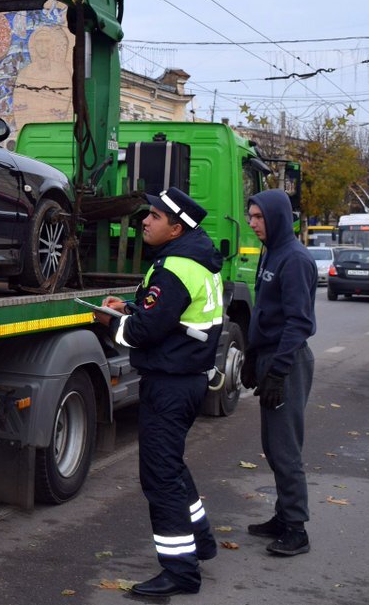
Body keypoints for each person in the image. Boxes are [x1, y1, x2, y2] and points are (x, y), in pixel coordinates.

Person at [95, 187, 225, 598]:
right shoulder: (196, 259)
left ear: (175, 227)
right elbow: (170, 318)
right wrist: (131, 308)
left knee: (161, 477)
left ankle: (181, 573)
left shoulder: (175, 266)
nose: (144, 221)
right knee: (172, 468)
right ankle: (201, 541)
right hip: (185, 379)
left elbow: (144, 333)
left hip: (170, 385)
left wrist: (110, 321)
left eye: (153, 216)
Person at [241, 189, 317, 556]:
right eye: (251, 216)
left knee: (286, 450)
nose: (252, 223)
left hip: (288, 361)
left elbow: (299, 323)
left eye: (258, 217)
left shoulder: (296, 259)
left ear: (277, 217)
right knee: (273, 447)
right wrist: (253, 358)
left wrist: (278, 371)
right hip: (271, 357)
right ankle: (282, 516)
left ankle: (297, 529)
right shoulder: (271, 251)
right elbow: (264, 312)